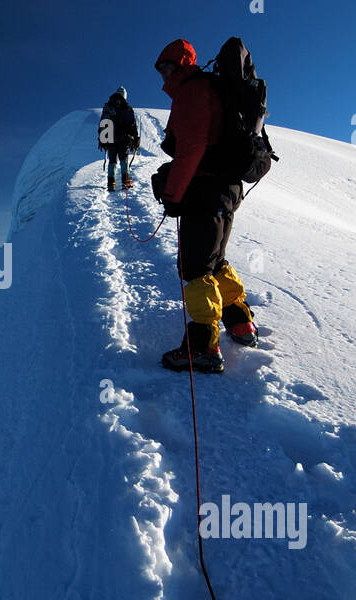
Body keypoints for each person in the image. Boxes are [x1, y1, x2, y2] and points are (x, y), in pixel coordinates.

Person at [153, 39, 257, 374]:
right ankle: (241, 325)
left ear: (182, 64)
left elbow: (192, 148)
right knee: (214, 261)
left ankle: (202, 348)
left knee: (196, 268)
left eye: (168, 66)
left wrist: (172, 195)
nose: (164, 74)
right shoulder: (210, 88)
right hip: (226, 190)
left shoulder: (192, 91)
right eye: (161, 68)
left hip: (206, 190)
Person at [98, 86, 138, 192]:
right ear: (124, 95)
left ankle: (111, 183)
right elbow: (132, 123)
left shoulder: (108, 106)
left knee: (112, 160)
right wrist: (135, 138)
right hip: (124, 137)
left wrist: (102, 138)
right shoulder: (126, 106)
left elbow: (102, 121)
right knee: (123, 158)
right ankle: (125, 181)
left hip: (110, 137)